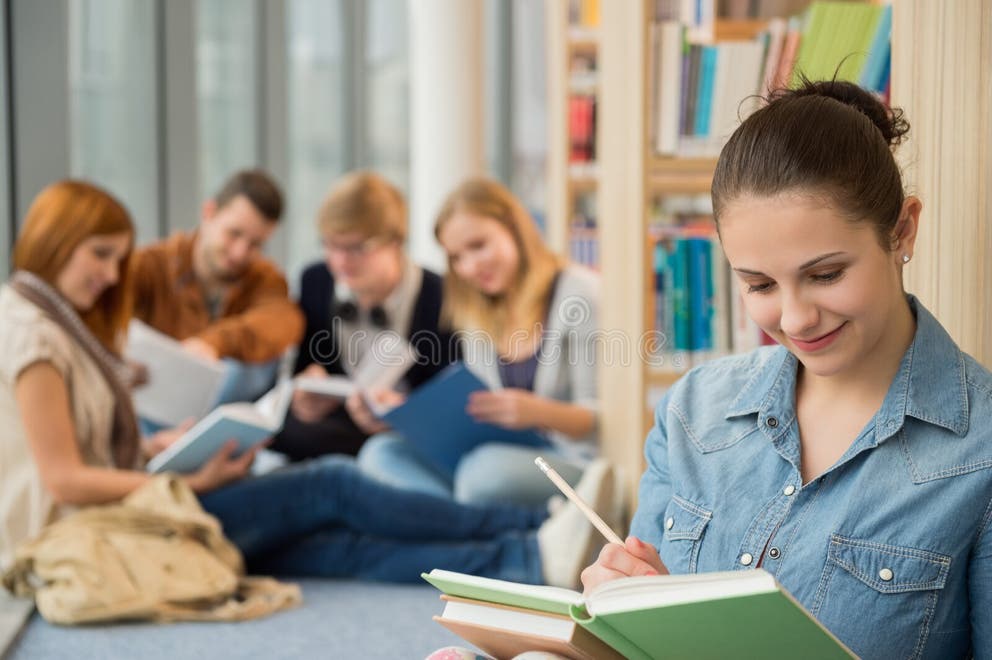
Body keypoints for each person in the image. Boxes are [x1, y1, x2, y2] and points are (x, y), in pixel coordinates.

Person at [0, 180, 610, 591]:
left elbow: (74, 458)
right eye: (100, 257)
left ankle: (527, 555)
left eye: (116, 258)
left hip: (122, 505)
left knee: (335, 549)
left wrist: (158, 451)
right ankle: (527, 543)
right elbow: (64, 480)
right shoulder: (36, 338)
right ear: (56, 243)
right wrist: (184, 478)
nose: (112, 277)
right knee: (334, 488)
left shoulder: (46, 324)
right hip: (103, 522)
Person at [580, 80, 991, 659]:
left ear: (902, 230)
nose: (795, 319)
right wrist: (618, 609)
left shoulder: (981, 452)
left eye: (825, 275)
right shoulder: (693, 411)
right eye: (760, 285)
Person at [357, 177, 601, 507]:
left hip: (566, 462)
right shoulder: (476, 311)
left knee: (482, 474)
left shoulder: (578, 293)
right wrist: (408, 413)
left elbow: (602, 419)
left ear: (514, 227)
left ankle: (458, 526)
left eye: (478, 246)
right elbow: (477, 410)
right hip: (491, 458)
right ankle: (464, 526)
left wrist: (537, 412)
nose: (469, 267)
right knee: (380, 453)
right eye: (457, 258)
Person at [271, 171, 458, 460]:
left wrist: (401, 414)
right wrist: (308, 390)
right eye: (331, 245)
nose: (341, 261)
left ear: (395, 242)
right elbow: (305, 365)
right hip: (331, 429)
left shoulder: (441, 297)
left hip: (404, 438)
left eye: (357, 248)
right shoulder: (316, 281)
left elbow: (447, 405)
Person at [130, 168, 303, 403]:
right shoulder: (150, 265)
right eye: (234, 234)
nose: (240, 252)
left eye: (255, 244)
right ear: (209, 213)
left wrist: (214, 343)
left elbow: (284, 320)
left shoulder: (265, 278)